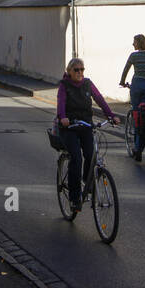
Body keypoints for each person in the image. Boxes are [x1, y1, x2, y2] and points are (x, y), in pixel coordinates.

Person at [56, 57, 117, 212]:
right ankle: (74, 198)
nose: (80, 72)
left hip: (85, 125)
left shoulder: (88, 83)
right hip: (69, 127)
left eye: (82, 69)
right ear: (69, 71)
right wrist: (62, 117)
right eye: (76, 70)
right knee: (76, 157)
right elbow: (61, 103)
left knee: (91, 155)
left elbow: (99, 99)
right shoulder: (64, 85)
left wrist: (110, 115)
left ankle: (86, 179)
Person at [120, 34, 145, 162]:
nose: (133, 44)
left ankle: (137, 148)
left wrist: (122, 82)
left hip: (136, 86)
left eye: (134, 42)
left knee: (137, 115)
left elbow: (126, 70)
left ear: (138, 43)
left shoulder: (134, 55)